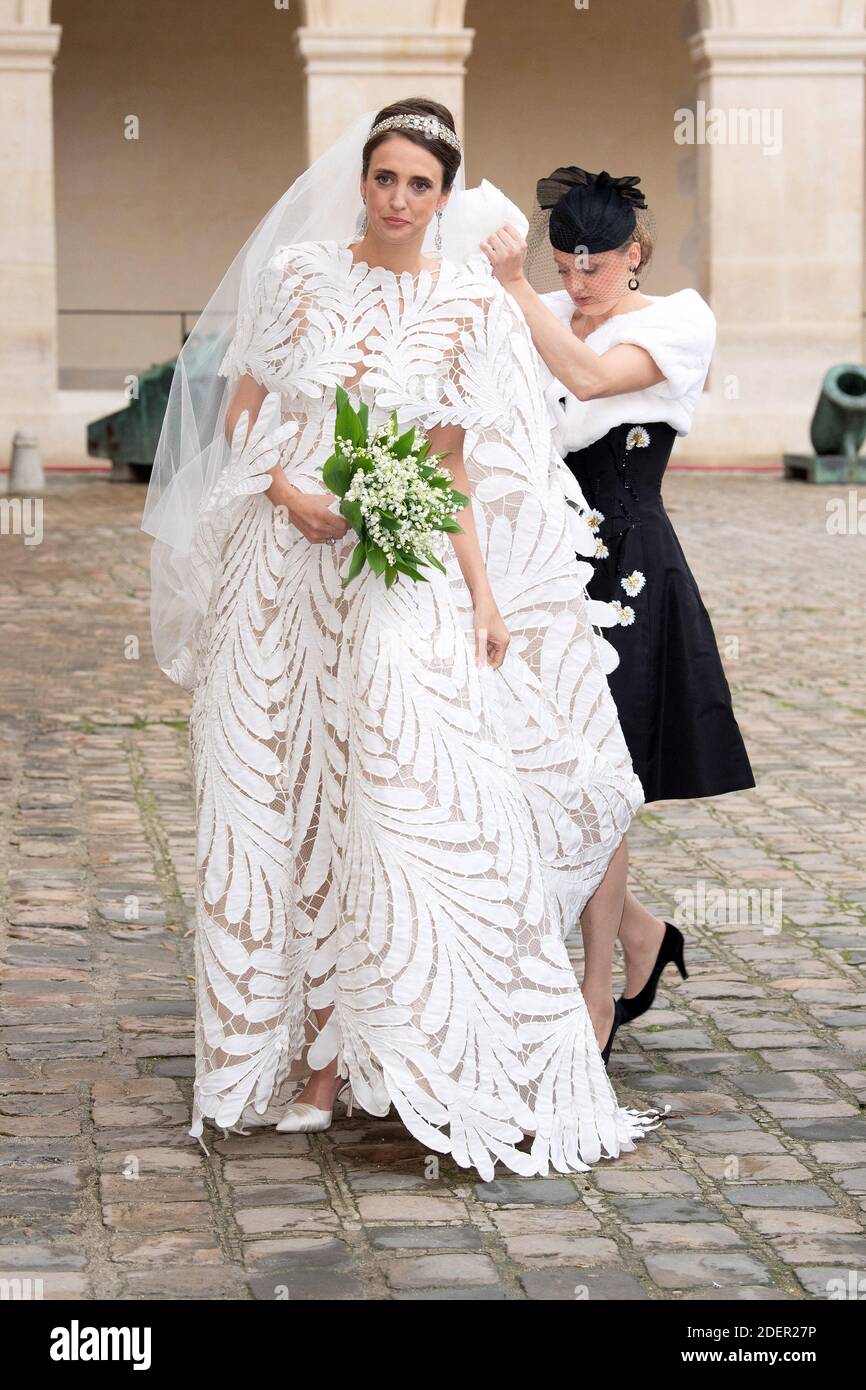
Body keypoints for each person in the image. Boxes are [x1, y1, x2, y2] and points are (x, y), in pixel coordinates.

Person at [141, 100, 667, 1183]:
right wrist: (286, 488)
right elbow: (242, 410)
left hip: (396, 574)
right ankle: (307, 1064)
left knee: (390, 792)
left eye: (418, 184)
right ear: (363, 180)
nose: (396, 199)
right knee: (291, 802)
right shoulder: (295, 276)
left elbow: (449, 468)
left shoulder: (472, 301)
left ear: (445, 192)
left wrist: (481, 596)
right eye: (383, 178)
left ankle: (405, 1049)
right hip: (282, 576)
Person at [480, 166, 755, 1028]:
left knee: (603, 780)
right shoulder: (545, 306)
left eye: (592, 267)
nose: (577, 284)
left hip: (630, 566)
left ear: (634, 253)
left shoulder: (680, 319)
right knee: (535, 769)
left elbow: (592, 382)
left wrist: (519, 290)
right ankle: (642, 933)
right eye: (562, 265)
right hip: (536, 561)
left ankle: (595, 989)